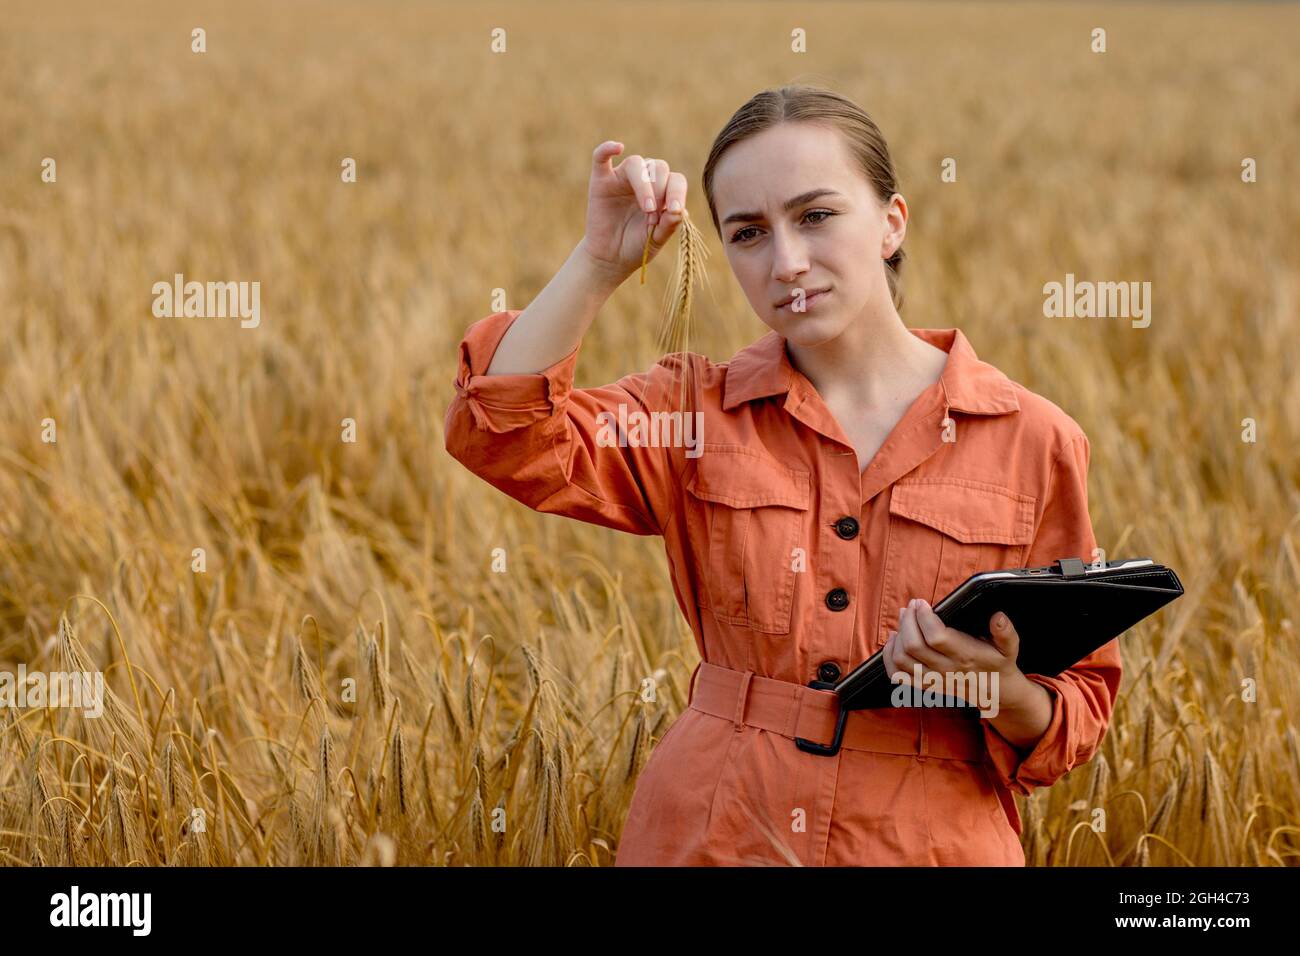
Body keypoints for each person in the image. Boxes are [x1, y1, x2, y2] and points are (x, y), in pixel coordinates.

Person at [444, 84, 1121, 866]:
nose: (787, 261)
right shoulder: (693, 411)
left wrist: (997, 692)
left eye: (816, 216)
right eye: (748, 233)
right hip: (710, 832)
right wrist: (599, 264)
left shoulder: (1031, 437)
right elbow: (503, 431)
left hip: (928, 841)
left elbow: (1080, 705)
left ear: (892, 223)